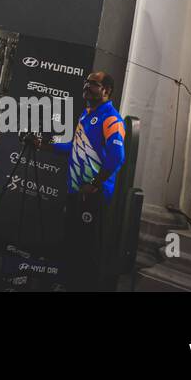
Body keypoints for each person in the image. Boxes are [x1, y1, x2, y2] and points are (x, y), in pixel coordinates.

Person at [34, 71, 126, 290]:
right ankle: (65, 284)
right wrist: (45, 145)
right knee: (72, 243)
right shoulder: (86, 115)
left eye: (93, 84)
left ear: (106, 90)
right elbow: (74, 147)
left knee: (86, 249)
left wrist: (95, 183)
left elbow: (117, 157)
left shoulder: (112, 119)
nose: (87, 86)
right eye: (86, 82)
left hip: (94, 196)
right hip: (76, 192)